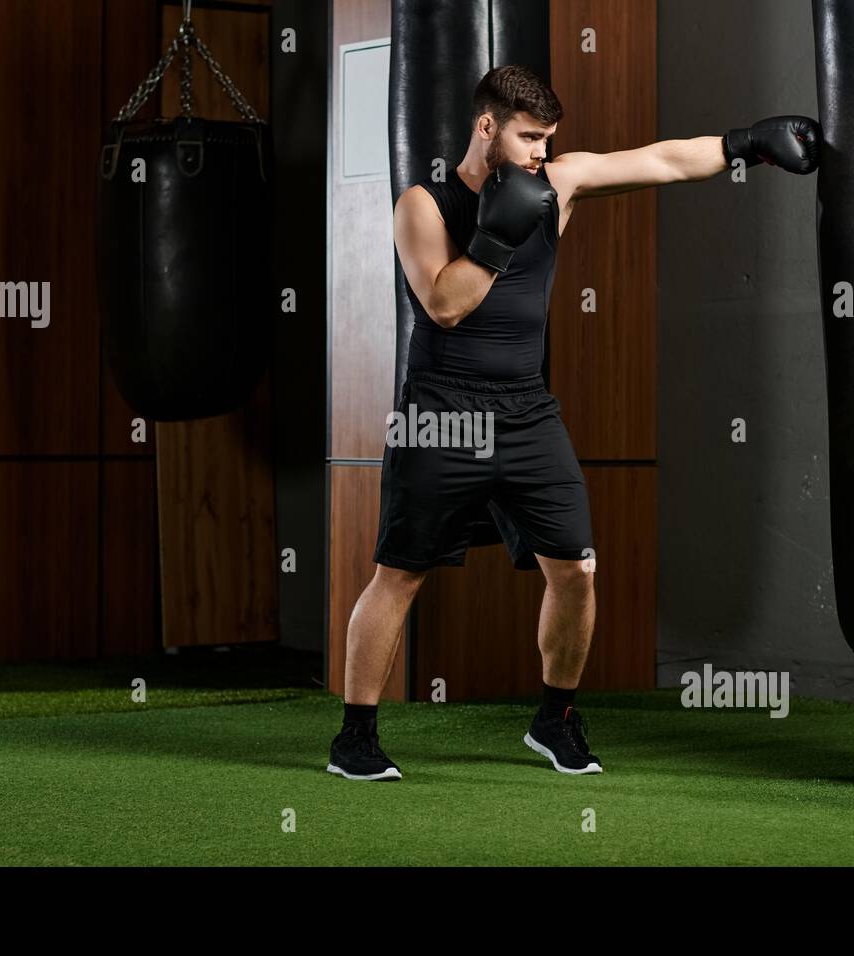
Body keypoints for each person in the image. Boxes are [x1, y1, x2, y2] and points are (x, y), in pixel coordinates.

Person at [328, 65, 819, 781]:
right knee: (399, 575)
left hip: (527, 410)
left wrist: (748, 144)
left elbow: (658, 160)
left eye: (547, 139)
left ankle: (553, 721)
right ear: (487, 127)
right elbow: (444, 305)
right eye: (528, 137)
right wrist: (496, 237)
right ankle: (355, 737)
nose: (539, 153)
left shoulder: (556, 182)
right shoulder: (423, 205)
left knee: (576, 571)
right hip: (443, 415)